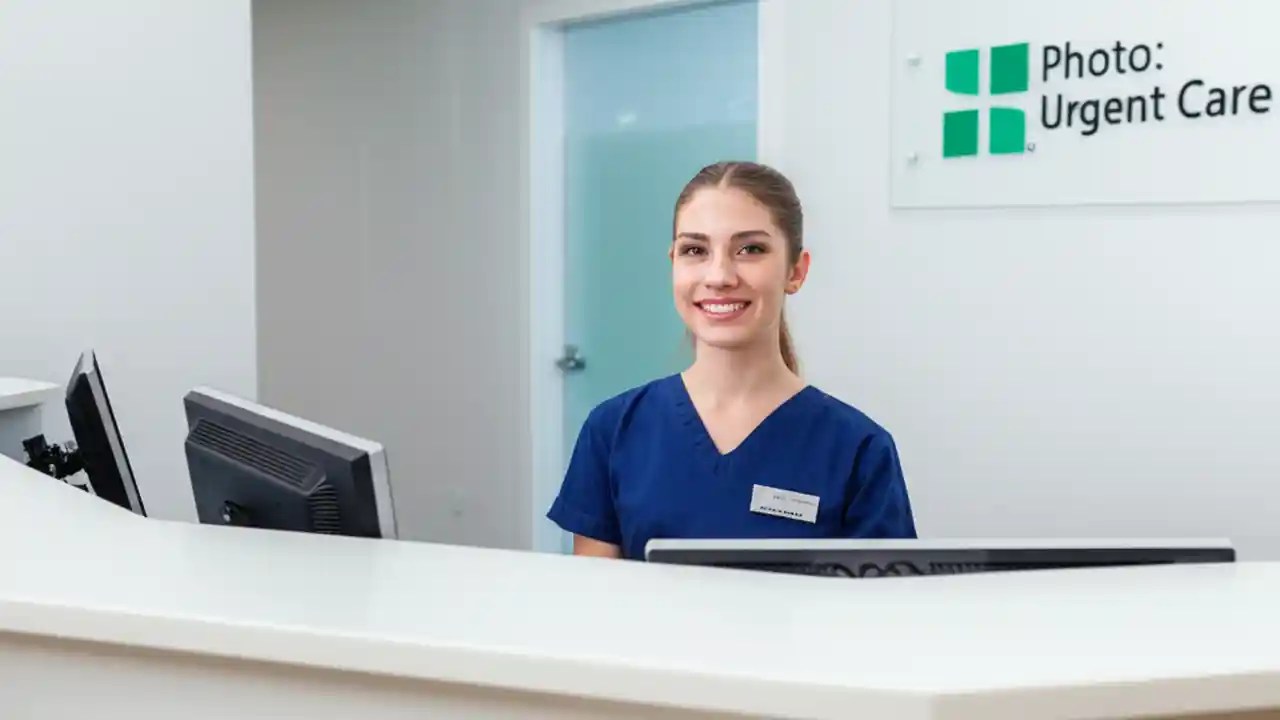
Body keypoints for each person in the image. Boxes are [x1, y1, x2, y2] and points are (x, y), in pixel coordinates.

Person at [547, 160, 917, 560]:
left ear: (796, 270)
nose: (719, 275)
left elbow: (878, 614)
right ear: (673, 263)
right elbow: (595, 607)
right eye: (695, 250)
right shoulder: (614, 430)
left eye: (750, 249)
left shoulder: (858, 449)